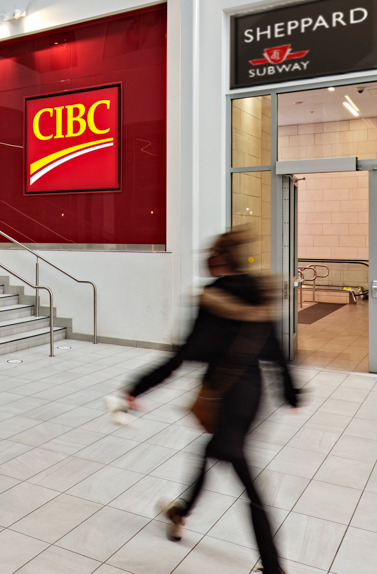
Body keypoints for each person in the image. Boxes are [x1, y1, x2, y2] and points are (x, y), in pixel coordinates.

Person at [119, 227, 295, 573]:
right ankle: (180, 513)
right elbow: (277, 352)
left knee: (243, 476)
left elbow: (182, 356)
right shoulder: (261, 295)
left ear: (220, 259)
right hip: (251, 396)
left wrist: (137, 387)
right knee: (211, 451)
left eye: (211, 255)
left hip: (224, 396)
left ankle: (274, 566)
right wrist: (291, 391)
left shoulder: (211, 300)